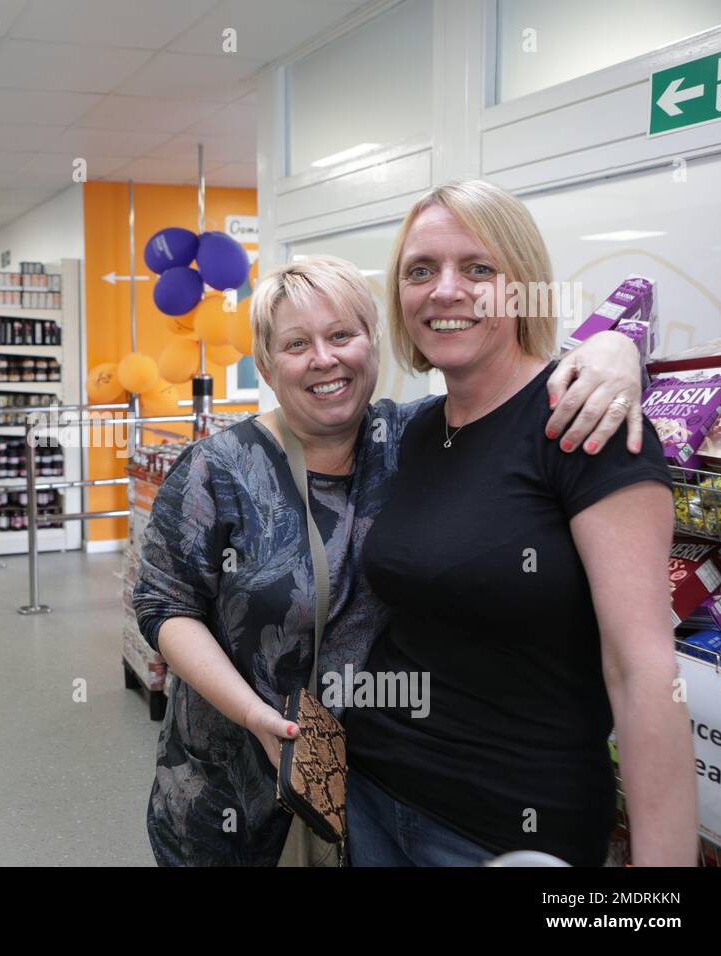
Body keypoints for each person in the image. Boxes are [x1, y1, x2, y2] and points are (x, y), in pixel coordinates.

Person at [132, 250, 647, 867]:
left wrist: (616, 351)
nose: (325, 359)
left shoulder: (416, 440)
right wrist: (255, 716)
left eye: (343, 335)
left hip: (363, 792)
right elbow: (165, 606)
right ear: (267, 366)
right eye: (297, 344)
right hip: (223, 786)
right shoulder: (216, 471)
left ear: (373, 344)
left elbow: (513, 395)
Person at [343, 179, 696, 867]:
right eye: (420, 270)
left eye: (479, 267)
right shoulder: (415, 432)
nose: (446, 290)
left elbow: (643, 672)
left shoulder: (582, 423)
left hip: (506, 835)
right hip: (374, 794)